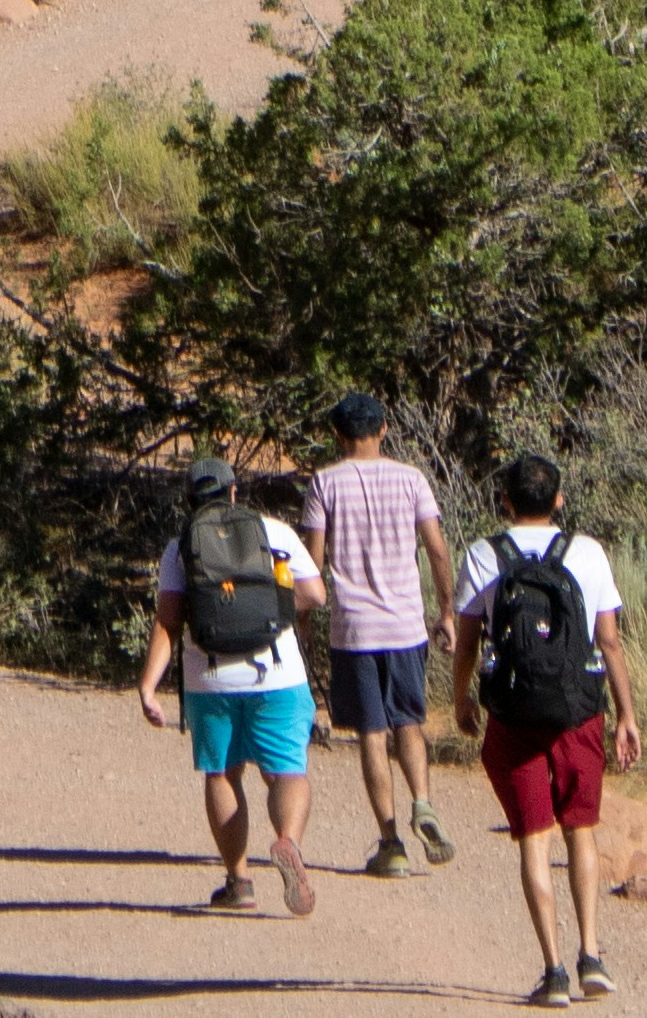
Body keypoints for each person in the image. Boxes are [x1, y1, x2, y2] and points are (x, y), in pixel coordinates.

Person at [453, 452, 638, 1007]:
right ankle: (592, 955)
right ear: (559, 499)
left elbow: (467, 640)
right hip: (579, 708)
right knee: (580, 830)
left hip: (513, 711)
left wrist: (461, 697)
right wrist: (626, 714)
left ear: (505, 501)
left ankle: (553, 970)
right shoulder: (587, 553)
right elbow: (608, 640)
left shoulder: (485, 555)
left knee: (534, 838)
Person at [137, 452, 327, 917]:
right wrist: (273, 601)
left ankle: (239, 880)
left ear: (189, 498)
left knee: (223, 772)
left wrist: (148, 686)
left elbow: (169, 622)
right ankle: (288, 841)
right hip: (277, 671)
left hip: (212, 677)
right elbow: (315, 595)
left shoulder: (181, 546)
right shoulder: (274, 532)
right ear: (235, 492)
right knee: (287, 770)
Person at [303, 392, 457, 872]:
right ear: (384, 429)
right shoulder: (412, 479)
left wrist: (302, 622)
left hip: (355, 628)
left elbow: (314, 561)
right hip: (407, 623)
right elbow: (436, 548)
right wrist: (447, 610)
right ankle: (423, 801)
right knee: (409, 720)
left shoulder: (324, 482)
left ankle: (390, 843)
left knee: (372, 732)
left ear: (337, 435)